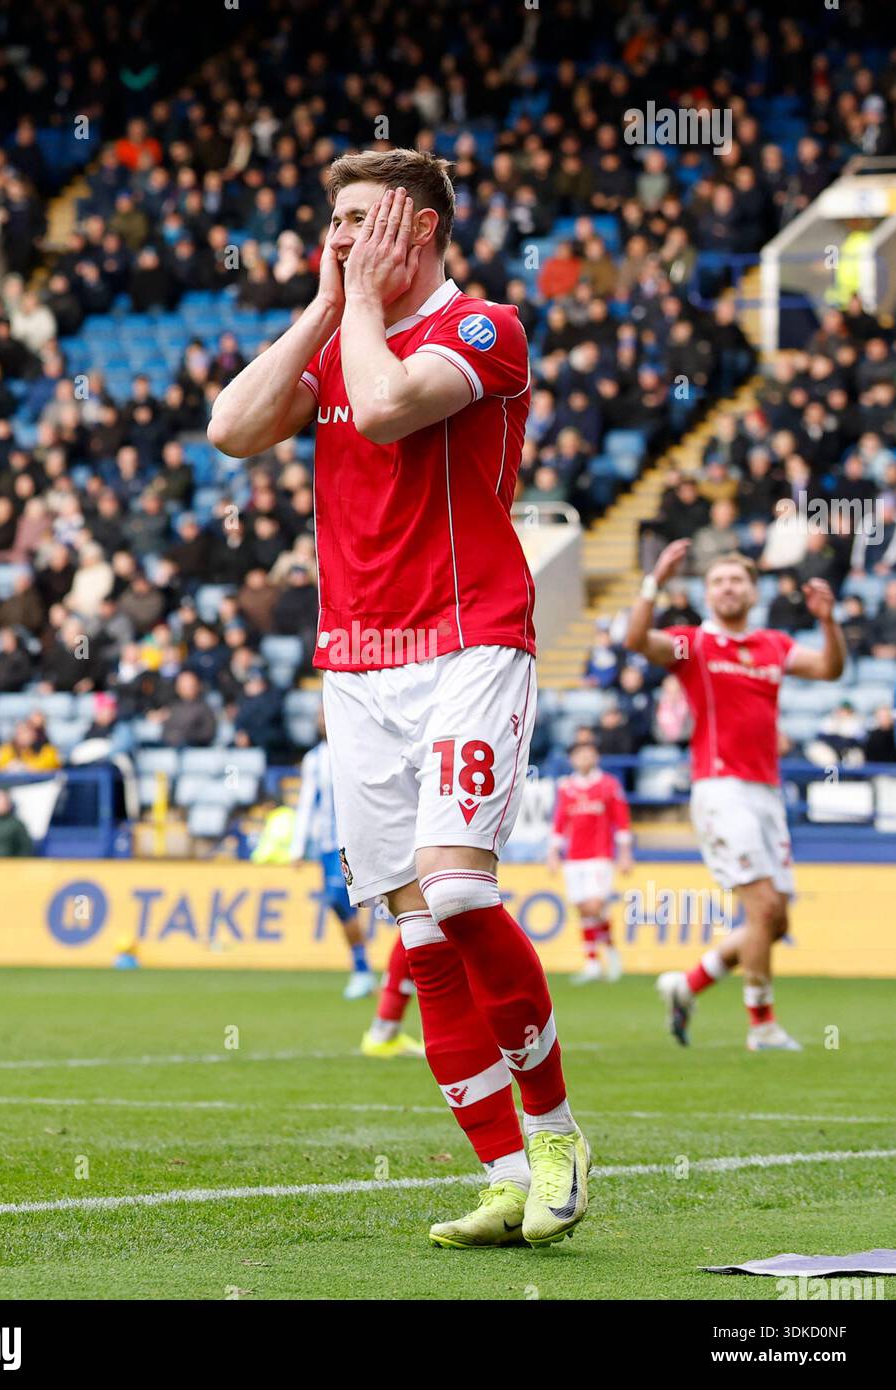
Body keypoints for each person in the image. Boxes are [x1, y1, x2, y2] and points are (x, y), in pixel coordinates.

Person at [211, 149, 588, 1251]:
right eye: (329, 219)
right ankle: (507, 1177)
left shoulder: (485, 330)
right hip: (358, 662)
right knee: (420, 936)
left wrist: (359, 313)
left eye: (358, 221)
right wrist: (329, 303)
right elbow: (230, 429)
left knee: (462, 897)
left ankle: (559, 1132)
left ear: (417, 228)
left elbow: (381, 411)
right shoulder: (342, 334)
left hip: (469, 641)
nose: (336, 235)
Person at [624, 542, 846, 1052]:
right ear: (706, 594)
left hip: (767, 793)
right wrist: (653, 581)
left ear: (754, 590)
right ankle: (762, 1025)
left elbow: (830, 670)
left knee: (777, 918)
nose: (728, 588)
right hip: (721, 789)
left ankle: (689, 983)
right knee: (763, 907)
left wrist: (829, 622)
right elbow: (637, 638)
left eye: (737, 580)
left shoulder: (773, 645)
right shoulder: (694, 645)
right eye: (719, 581)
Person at [290, 717, 425, 1060]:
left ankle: (387, 1014)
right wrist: (297, 846)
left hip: (372, 838)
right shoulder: (316, 758)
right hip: (330, 843)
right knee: (340, 901)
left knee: (413, 915)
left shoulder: (365, 745)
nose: (323, 717)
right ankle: (364, 970)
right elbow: (308, 800)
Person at [548, 739, 633, 984]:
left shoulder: (608, 785)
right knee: (583, 908)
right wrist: (553, 854)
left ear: (596, 757)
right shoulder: (566, 787)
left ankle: (611, 954)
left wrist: (625, 854)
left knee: (595, 906)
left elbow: (622, 820)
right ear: (572, 759)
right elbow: (560, 822)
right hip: (574, 857)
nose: (584, 758)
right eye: (579, 754)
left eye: (589, 753)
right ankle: (593, 962)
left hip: (600, 856)